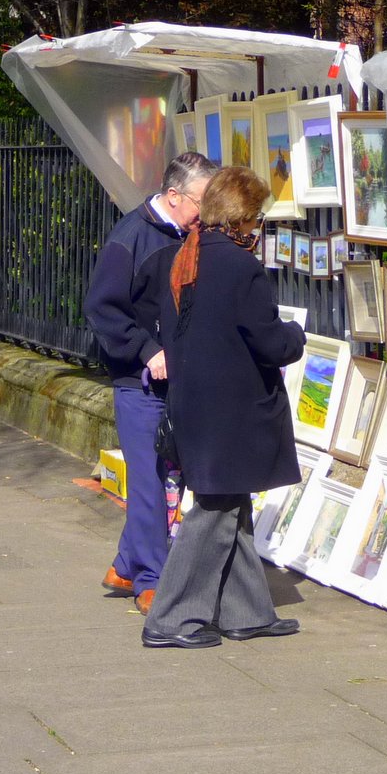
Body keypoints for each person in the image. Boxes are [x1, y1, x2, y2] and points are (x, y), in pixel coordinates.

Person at [139, 166, 306, 650]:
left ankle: (245, 612)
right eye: (254, 220)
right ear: (240, 218)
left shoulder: (180, 258)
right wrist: (296, 336)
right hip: (233, 411)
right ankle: (170, 618)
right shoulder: (240, 266)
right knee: (213, 512)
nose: (256, 230)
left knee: (232, 505)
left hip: (194, 404)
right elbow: (270, 342)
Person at [81, 151, 217, 615]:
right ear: (174, 195)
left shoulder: (191, 234)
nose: (208, 212)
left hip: (178, 376)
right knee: (150, 480)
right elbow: (103, 309)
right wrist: (146, 351)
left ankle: (125, 565)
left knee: (160, 475)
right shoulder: (131, 238)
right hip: (137, 381)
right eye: (203, 201)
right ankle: (152, 582)